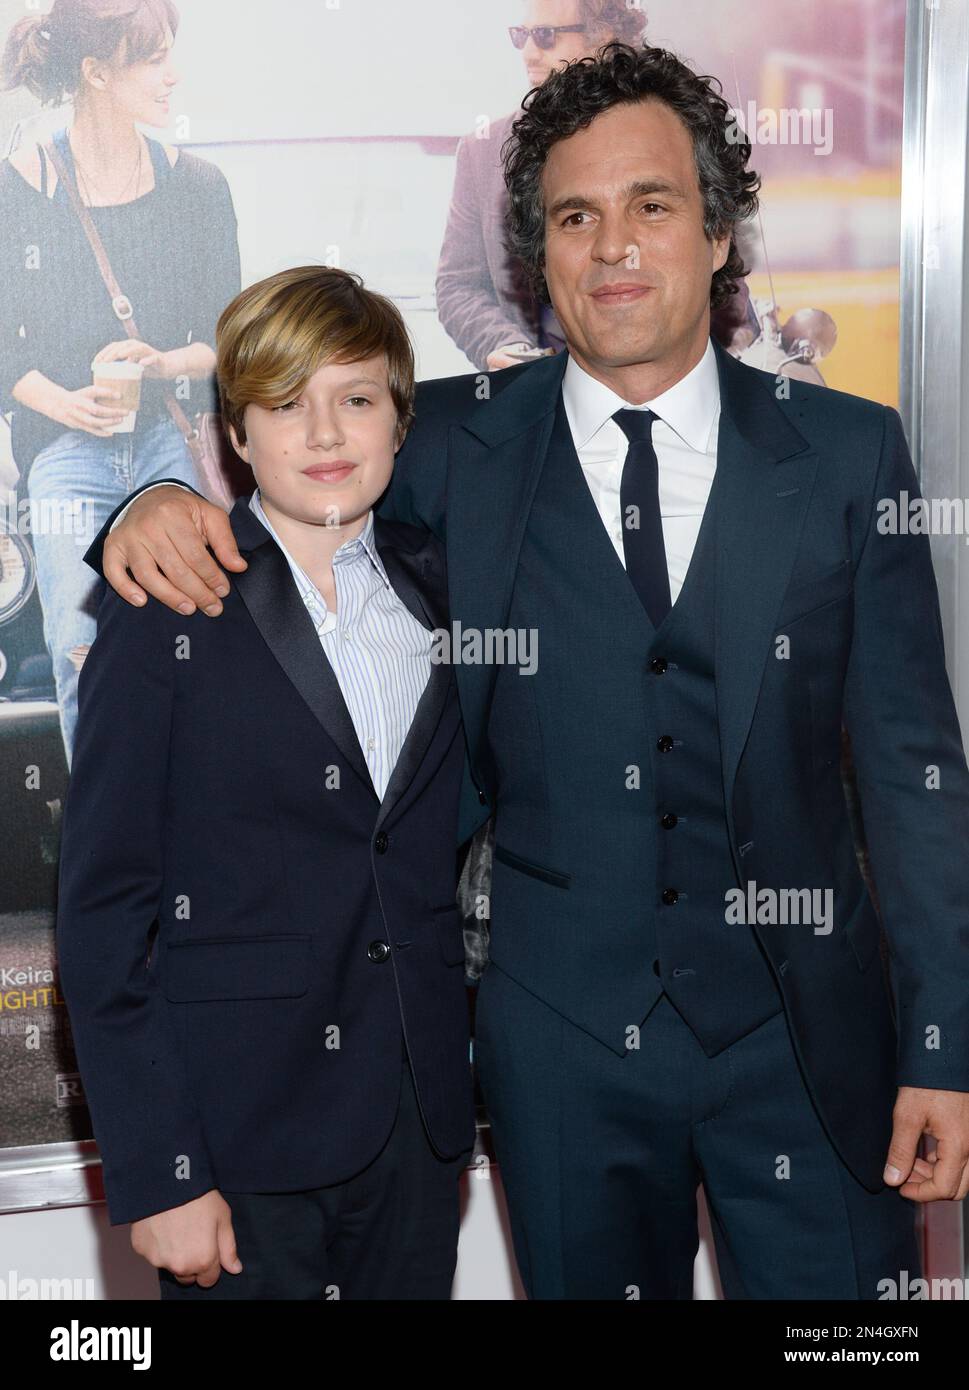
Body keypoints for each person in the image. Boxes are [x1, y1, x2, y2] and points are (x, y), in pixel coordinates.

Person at [85, 43, 969, 1300]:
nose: (614, 246)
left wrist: (945, 1042)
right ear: (537, 258)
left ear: (720, 235)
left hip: (812, 1049)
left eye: (652, 206)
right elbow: (296, 458)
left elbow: (915, 773)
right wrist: (154, 503)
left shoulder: (846, 453)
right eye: (575, 216)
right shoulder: (445, 443)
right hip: (561, 1061)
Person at [56, 266, 476, 1301]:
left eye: (357, 398)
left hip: (417, 1132)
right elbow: (104, 908)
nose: (325, 432)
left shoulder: (449, 590)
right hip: (237, 1145)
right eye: (287, 405)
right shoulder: (166, 603)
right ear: (237, 436)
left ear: (398, 420)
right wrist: (160, 1172)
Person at [0, 0, 240, 763]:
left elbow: (227, 342)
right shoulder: (22, 188)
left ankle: (201, 845)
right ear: (95, 72)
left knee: (199, 649)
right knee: (82, 651)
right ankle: (112, 857)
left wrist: (164, 363)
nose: (173, 76)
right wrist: (57, 399)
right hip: (65, 453)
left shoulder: (198, 187)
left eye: (172, 52)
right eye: (151, 58)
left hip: (173, 445)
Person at [435, 0, 750, 371]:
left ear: (606, 36)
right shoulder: (482, 150)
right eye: (521, 37)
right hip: (535, 388)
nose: (529, 53)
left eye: (546, 36)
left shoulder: (679, 135)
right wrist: (505, 345)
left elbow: (724, 281)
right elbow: (458, 284)